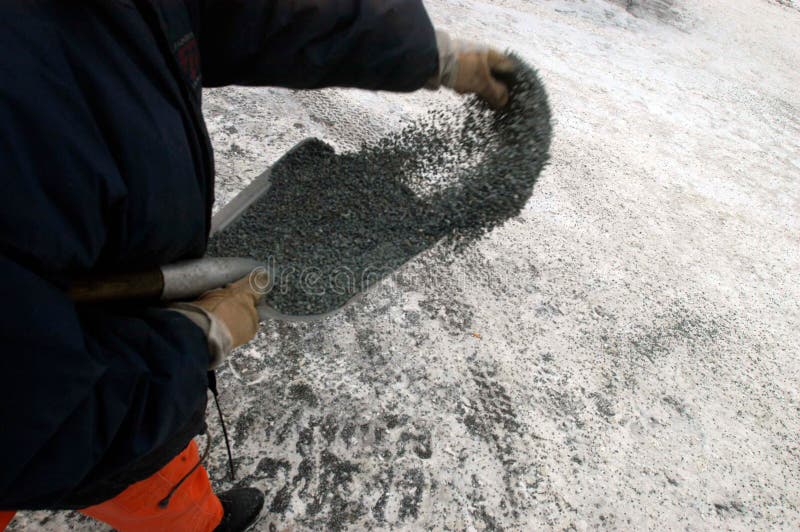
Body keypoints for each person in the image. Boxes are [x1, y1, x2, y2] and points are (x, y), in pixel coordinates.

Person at [0, 1, 514, 531]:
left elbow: (243, 11)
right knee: (101, 439)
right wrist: (192, 339)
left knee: (148, 464)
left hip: (126, 324)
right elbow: (30, 420)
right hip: (58, 396)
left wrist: (422, 52)